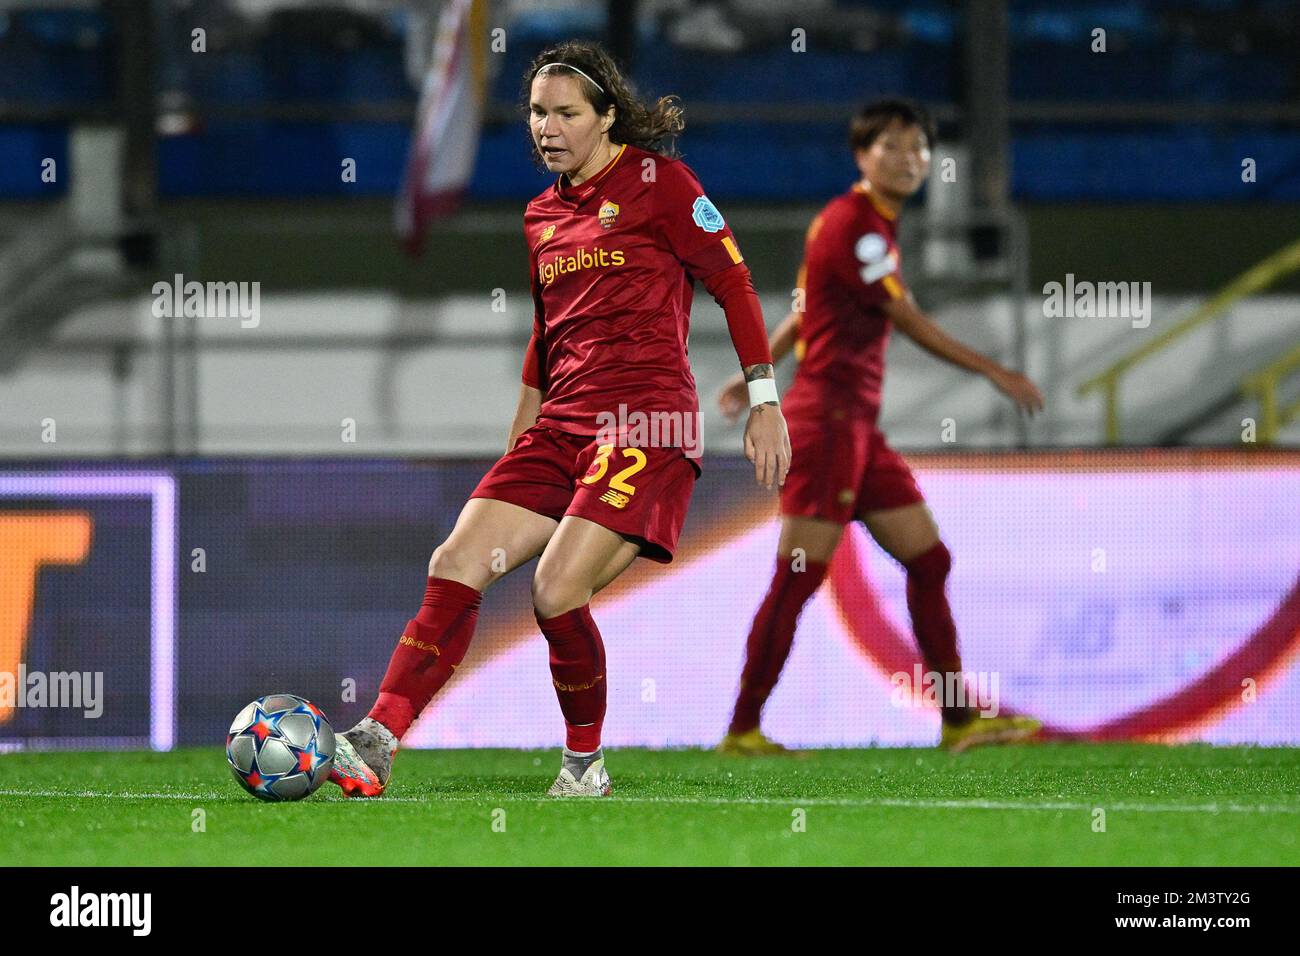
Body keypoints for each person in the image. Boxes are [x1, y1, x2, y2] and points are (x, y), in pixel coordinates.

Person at [329, 40, 790, 797]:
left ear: (607, 117)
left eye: (566, 113)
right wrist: (521, 439)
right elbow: (547, 338)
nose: (547, 127)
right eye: (537, 113)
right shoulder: (541, 214)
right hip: (561, 429)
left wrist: (765, 401)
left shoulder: (660, 183)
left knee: (553, 591)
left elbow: (733, 285)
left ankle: (584, 767)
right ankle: (378, 738)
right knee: (455, 561)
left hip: (646, 426)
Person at [715, 98, 1042, 755]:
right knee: (800, 573)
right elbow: (908, 318)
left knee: (929, 557)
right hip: (829, 423)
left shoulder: (851, 223)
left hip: (857, 428)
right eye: (891, 146)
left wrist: (758, 369)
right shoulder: (859, 226)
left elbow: (808, 308)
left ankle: (957, 721)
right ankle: (743, 729)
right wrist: (992, 370)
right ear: (861, 154)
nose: (908, 159)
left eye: (918, 148)